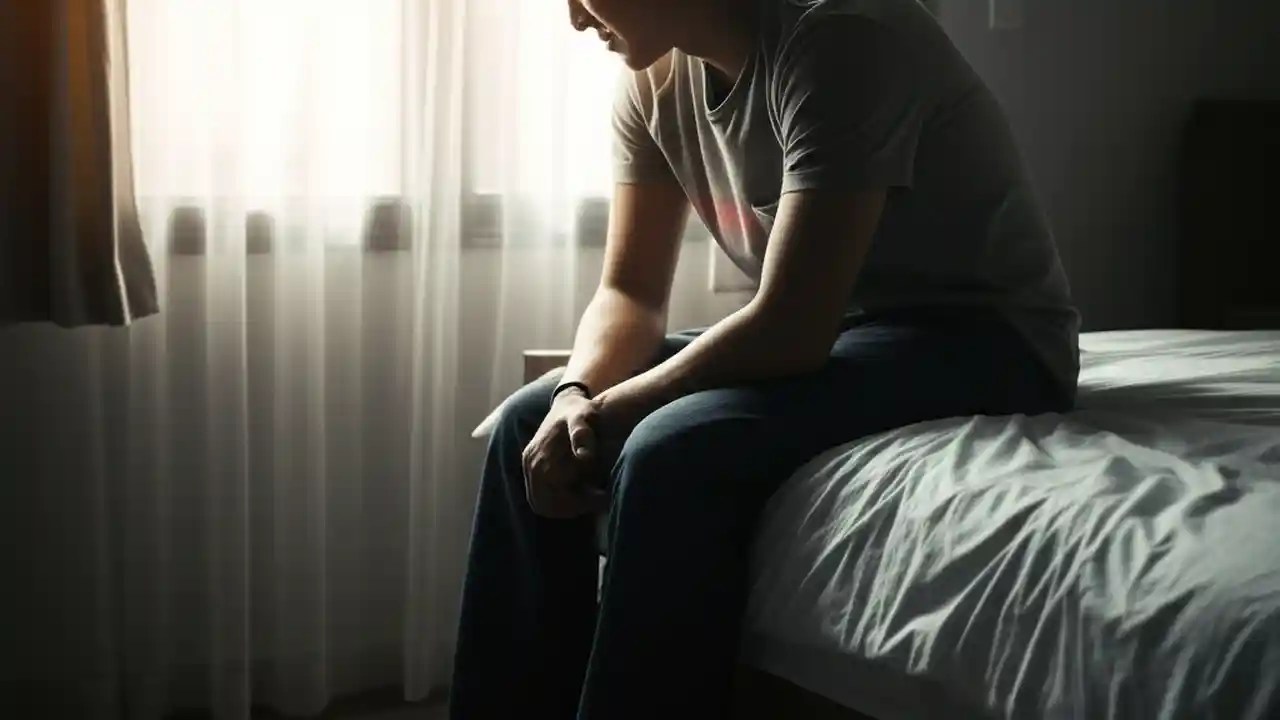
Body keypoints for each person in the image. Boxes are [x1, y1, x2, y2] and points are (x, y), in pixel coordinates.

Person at [449, 0, 1079, 717]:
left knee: (665, 448)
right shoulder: (654, 82)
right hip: (844, 331)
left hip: (983, 338)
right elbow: (628, 290)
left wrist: (612, 408)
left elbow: (789, 326)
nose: (572, 18)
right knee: (525, 425)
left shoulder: (843, 36)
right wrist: (574, 396)